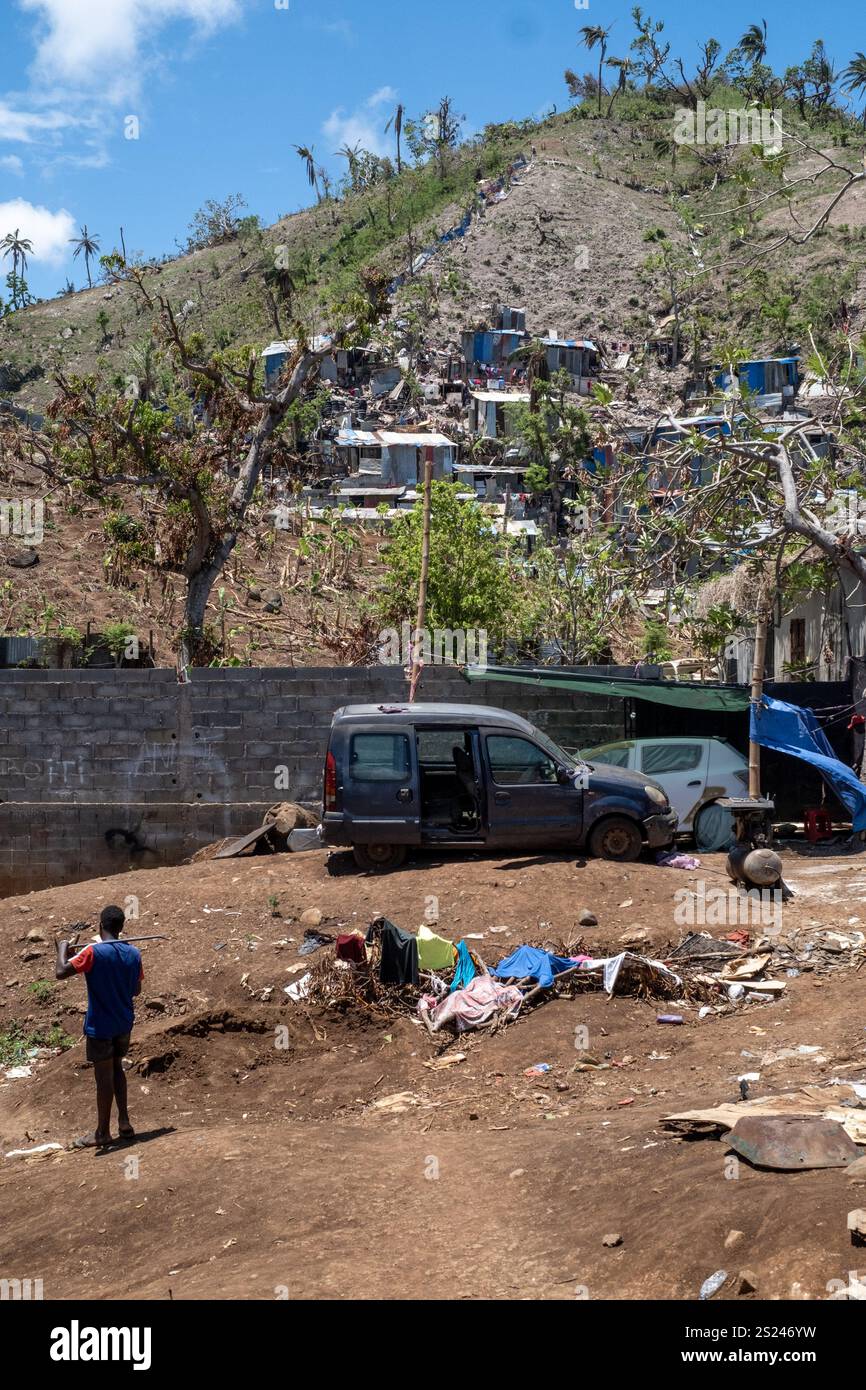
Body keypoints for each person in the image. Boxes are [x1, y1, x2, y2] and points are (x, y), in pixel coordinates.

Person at [55, 905, 143, 1150]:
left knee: (103, 1077)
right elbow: (136, 990)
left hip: (101, 1026)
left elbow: (61, 971)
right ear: (121, 927)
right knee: (117, 1069)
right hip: (123, 1023)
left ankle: (102, 1133)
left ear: (100, 925)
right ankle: (124, 1123)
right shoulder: (134, 953)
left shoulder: (93, 952)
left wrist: (63, 947)